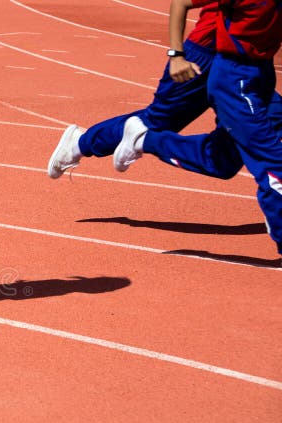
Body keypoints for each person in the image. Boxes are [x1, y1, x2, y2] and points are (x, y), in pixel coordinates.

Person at [113, 0, 282, 257]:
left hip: (262, 73)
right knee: (274, 165)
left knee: (221, 162)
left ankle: (145, 139)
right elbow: (180, 3)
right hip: (234, 79)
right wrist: (176, 55)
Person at [47, 0, 244, 180]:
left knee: (234, 150)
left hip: (243, 64)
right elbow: (181, 2)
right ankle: (80, 143)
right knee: (155, 123)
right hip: (204, 58)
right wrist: (177, 56)